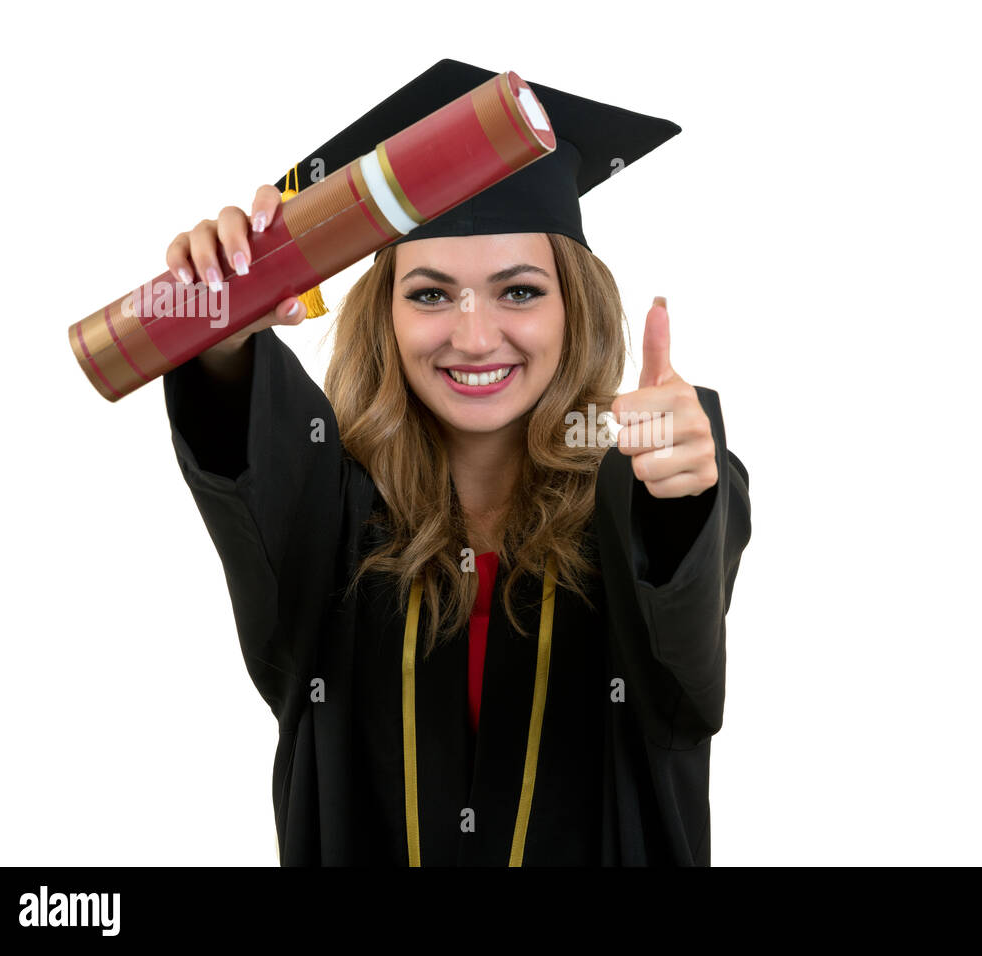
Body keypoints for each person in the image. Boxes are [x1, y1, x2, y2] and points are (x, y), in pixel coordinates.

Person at [163, 59, 751, 865]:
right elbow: (254, 461)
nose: (475, 338)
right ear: (385, 317)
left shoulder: (627, 491)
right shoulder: (333, 522)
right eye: (432, 294)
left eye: (518, 292)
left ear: (573, 306)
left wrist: (683, 489)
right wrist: (221, 330)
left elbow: (685, 658)